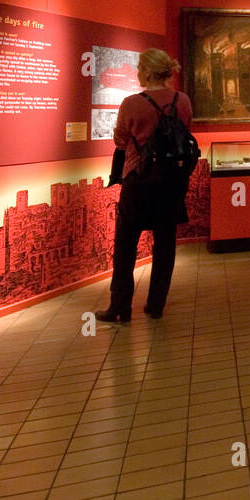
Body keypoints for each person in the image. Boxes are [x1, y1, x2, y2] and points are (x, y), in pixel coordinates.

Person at [97, 48, 194, 323]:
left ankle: (120, 307)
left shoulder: (131, 103)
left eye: (140, 68)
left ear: (148, 72)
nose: (138, 72)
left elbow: (120, 140)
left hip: (138, 181)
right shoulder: (182, 100)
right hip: (172, 182)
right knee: (165, 243)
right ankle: (155, 305)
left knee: (125, 245)